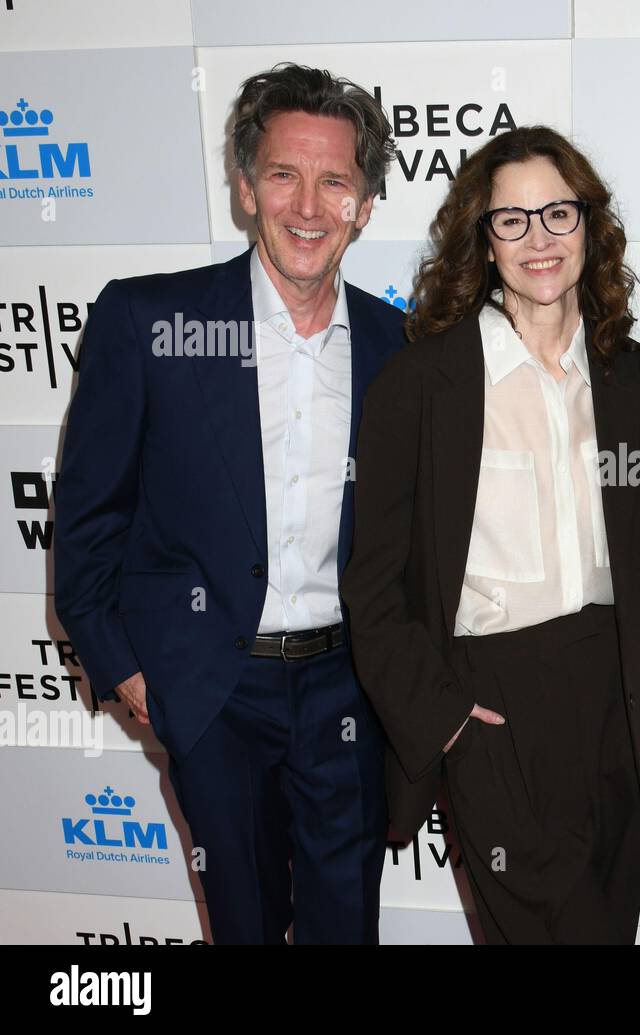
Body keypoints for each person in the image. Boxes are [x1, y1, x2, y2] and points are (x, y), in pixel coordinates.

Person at [53, 64, 404, 944]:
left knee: (344, 930)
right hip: (214, 687)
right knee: (241, 929)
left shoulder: (405, 349)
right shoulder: (148, 322)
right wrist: (129, 669)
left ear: (366, 204)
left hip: (351, 691)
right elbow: (90, 518)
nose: (309, 205)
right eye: (285, 174)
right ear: (246, 188)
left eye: (337, 181)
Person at [341, 126, 640, 944]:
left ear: (588, 226)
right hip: (494, 707)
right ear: (482, 241)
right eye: (512, 220)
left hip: (621, 696)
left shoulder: (635, 377)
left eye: (558, 213)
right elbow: (374, 584)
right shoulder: (421, 384)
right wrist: (444, 716)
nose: (539, 239)